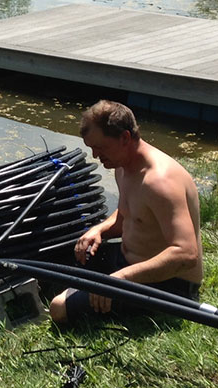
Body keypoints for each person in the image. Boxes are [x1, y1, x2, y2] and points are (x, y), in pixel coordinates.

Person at [49, 100, 203, 324]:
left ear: (125, 138)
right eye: (91, 148)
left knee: (58, 308)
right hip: (128, 264)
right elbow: (129, 217)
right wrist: (99, 229)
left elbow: (186, 254)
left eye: (100, 147)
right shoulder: (123, 167)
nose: (95, 155)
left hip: (169, 285)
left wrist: (120, 279)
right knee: (61, 258)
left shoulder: (160, 182)